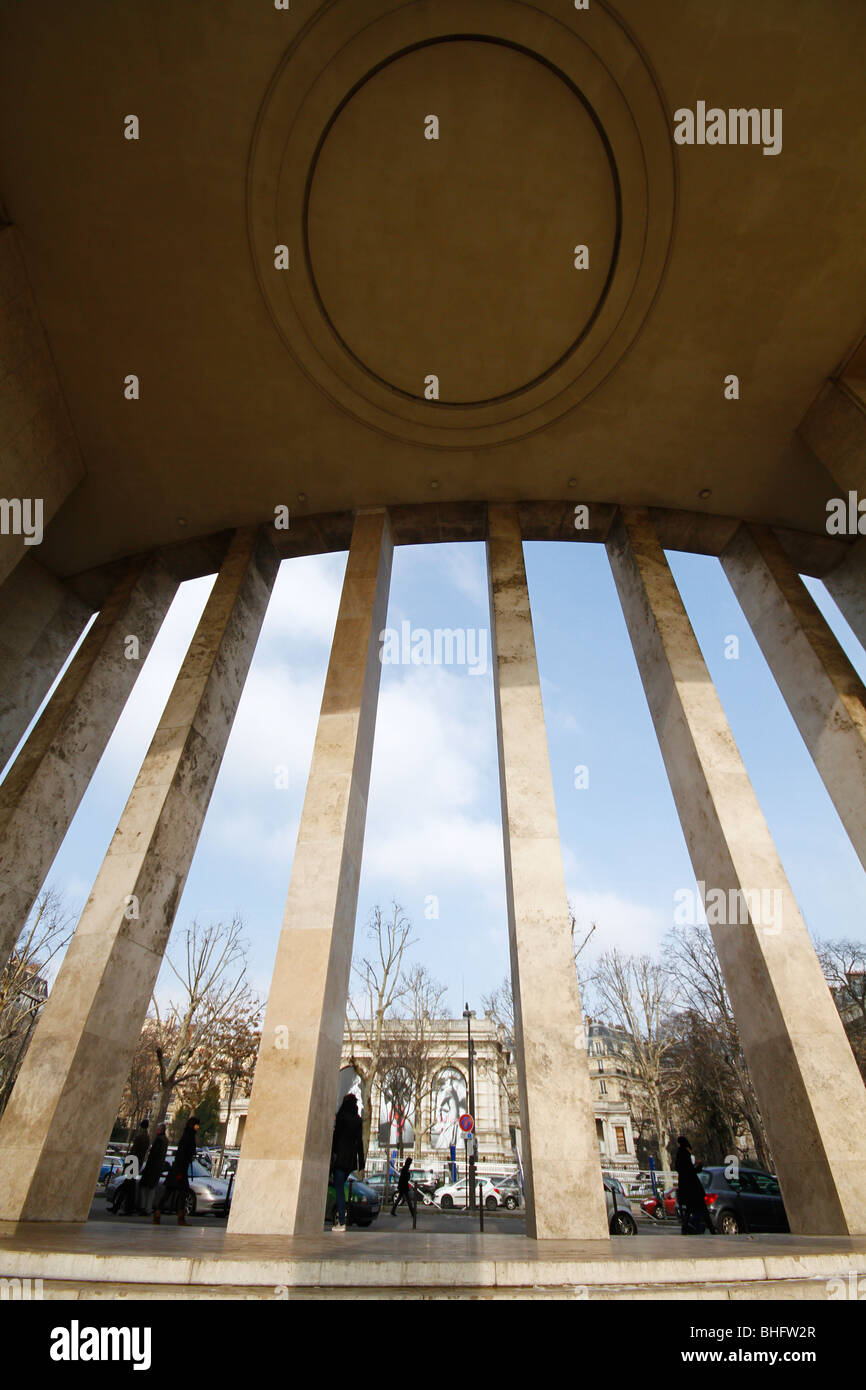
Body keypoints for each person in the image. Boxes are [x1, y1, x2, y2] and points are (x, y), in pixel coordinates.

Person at [153, 1116, 199, 1225]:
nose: (198, 1127)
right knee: (178, 1194)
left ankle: (159, 1214)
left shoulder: (187, 1135)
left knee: (171, 1193)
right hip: (180, 1170)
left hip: (178, 1170)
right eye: (197, 1124)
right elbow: (183, 1155)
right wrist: (180, 1172)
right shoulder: (189, 1136)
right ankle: (179, 1217)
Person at [331, 1094, 364, 1233]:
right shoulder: (357, 1120)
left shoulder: (342, 1117)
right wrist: (361, 1161)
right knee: (340, 1188)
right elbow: (359, 1142)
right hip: (350, 1159)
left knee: (338, 1189)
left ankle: (342, 1221)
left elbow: (336, 1136)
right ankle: (341, 1218)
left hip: (339, 1157)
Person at [675, 1136, 707, 1235]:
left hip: (686, 1188)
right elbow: (690, 1171)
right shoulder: (685, 1155)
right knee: (702, 1208)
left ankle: (685, 1228)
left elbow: (683, 1169)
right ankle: (703, 1227)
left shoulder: (679, 1156)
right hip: (692, 1187)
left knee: (689, 1210)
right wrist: (699, 1166)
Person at [138, 1122, 168, 1214]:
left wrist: (147, 1167)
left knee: (144, 1186)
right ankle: (148, 1207)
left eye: (158, 1129)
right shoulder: (165, 1140)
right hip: (157, 1168)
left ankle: (144, 1207)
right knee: (151, 1189)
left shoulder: (158, 1140)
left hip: (152, 1168)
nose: (156, 1130)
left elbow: (153, 1155)